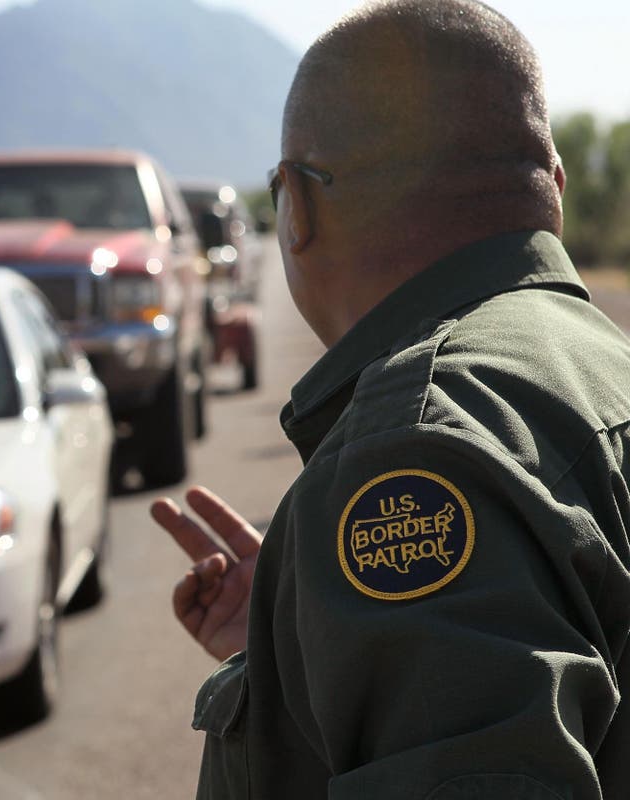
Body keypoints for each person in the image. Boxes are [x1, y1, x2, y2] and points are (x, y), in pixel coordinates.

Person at [149, 1, 630, 797]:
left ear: (297, 208)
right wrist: (312, 636)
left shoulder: (419, 442)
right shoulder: (602, 364)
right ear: (555, 187)